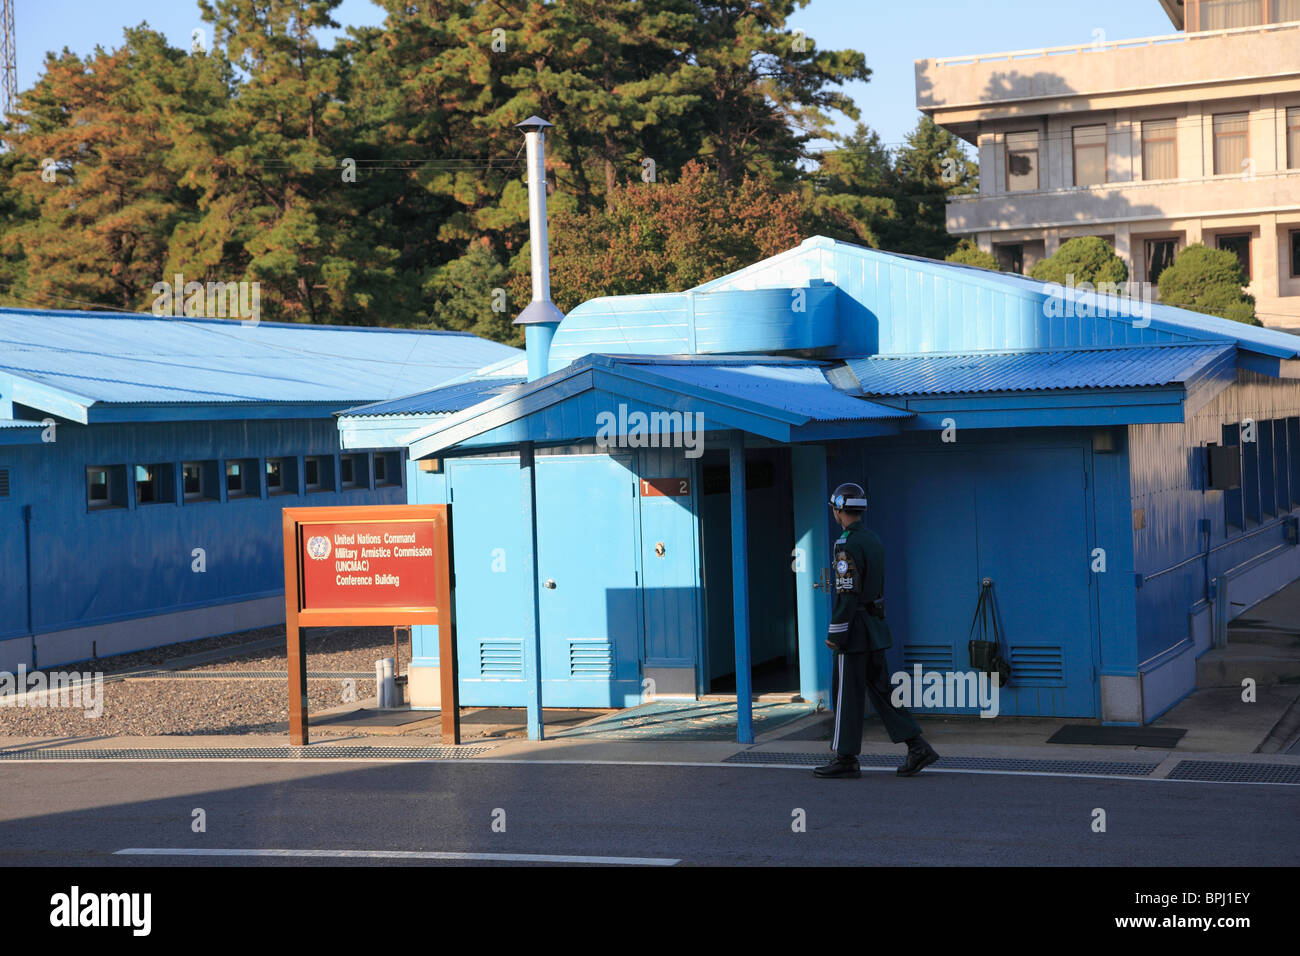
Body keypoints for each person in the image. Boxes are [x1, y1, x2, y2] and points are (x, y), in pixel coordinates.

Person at [814, 482, 939, 779]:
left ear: (839, 510)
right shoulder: (873, 539)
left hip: (854, 630)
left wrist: (836, 634)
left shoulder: (845, 544)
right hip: (874, 628)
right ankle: (917, 746)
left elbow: (847, 592)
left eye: (834, 508)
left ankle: (845, 758)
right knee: (882, 691)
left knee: (846, 693)